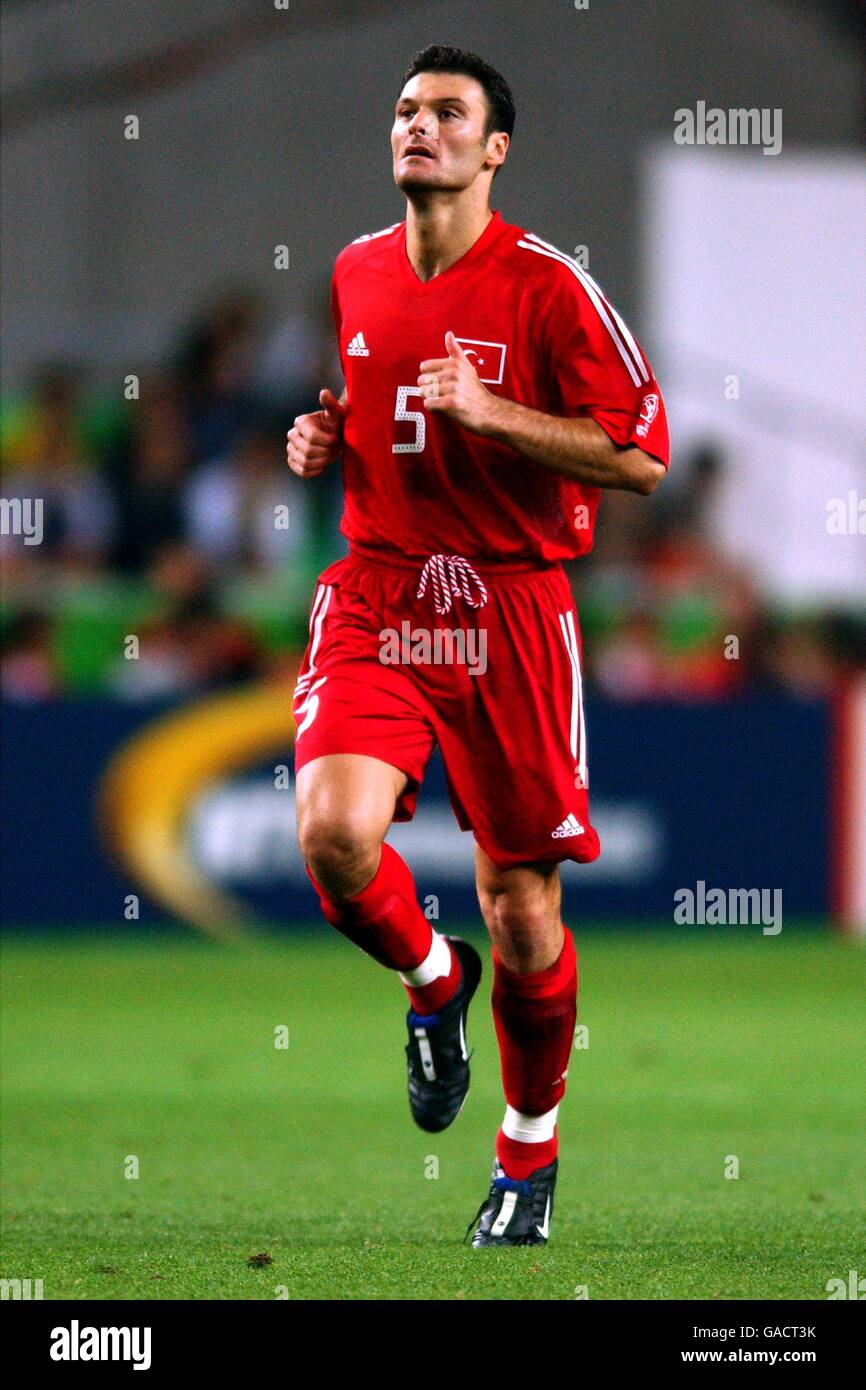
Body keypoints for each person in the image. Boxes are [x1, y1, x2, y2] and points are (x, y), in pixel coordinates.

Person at [285, 44, 669, 1246]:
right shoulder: (353, 271)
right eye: (404, 109)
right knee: (334, 835)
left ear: (493, 147)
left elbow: (641, 457)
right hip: (379, 591)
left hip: (507, 610)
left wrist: (493, 411)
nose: (418, 126)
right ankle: (433, 981)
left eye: (446, 112)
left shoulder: (551, 289)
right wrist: (325, 440)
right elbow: (373, 411)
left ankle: (527, 1151)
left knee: (523, 912)